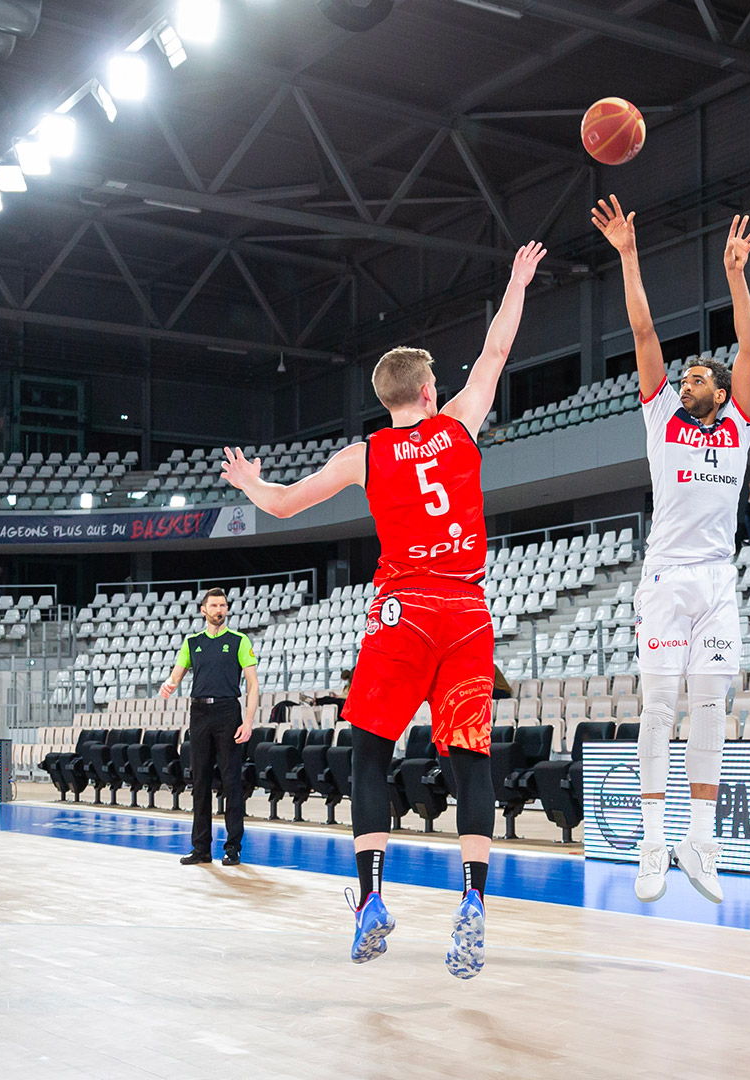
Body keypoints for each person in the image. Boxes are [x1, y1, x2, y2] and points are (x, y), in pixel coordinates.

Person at [221, 239, 547, 979]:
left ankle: (370, 900)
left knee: (369, 751)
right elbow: (496, 349)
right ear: (430, 391)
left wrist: (248, 482)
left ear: (388, 399)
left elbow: (279, 504)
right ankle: (473, 902)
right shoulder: (460, 422)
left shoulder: (363, 456)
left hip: (404, 612)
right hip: (466, 612)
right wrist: (517, 280)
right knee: (468, 758)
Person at [594, 195, 750, 906]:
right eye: (685, 374)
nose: (686, 379)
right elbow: (641, 328)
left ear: (720, 391)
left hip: (718, 580)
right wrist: (629, 255)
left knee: (711, 708)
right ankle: (654, 840)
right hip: (665, 579)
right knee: (660, 706)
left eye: (699, 375)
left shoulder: (739, 426)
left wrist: (736, 275)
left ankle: (701, 839)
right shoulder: (661, 413)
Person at [159, 588, 259, 868]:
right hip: (200, 712)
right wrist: (169, 684)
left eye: (223, 605)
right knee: (199, 781)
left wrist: (248, 721)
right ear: (203, 610)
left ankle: (233, 847)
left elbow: (252, 684)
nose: (219, 609)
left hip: (229, 711)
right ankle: (201, 848)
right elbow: (177, 674)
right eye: (214, 605)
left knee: (231, 781)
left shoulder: (239, 640)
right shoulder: (192, 643)